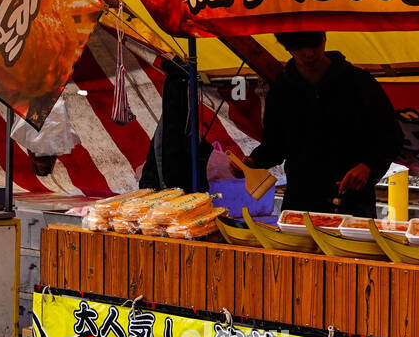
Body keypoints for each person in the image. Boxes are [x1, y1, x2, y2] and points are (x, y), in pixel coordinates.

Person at [231, 30, 403, 217]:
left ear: (324, 38)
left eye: (313, 44)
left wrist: (368, 165)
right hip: (301, 200)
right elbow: (275, 146)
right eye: (299, 47)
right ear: (287, 48)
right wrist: (252, 162)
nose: (309, 54)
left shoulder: (359, 82)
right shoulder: (281, 91)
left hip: (353, 201)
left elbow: (390, 136)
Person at [140, 58, 211, 191]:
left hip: (176, 186)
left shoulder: (175, 120)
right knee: (172, 125)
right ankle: (179, 74)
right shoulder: (171, 122)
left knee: (174, 125)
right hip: (171, 188)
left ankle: (180, 74)